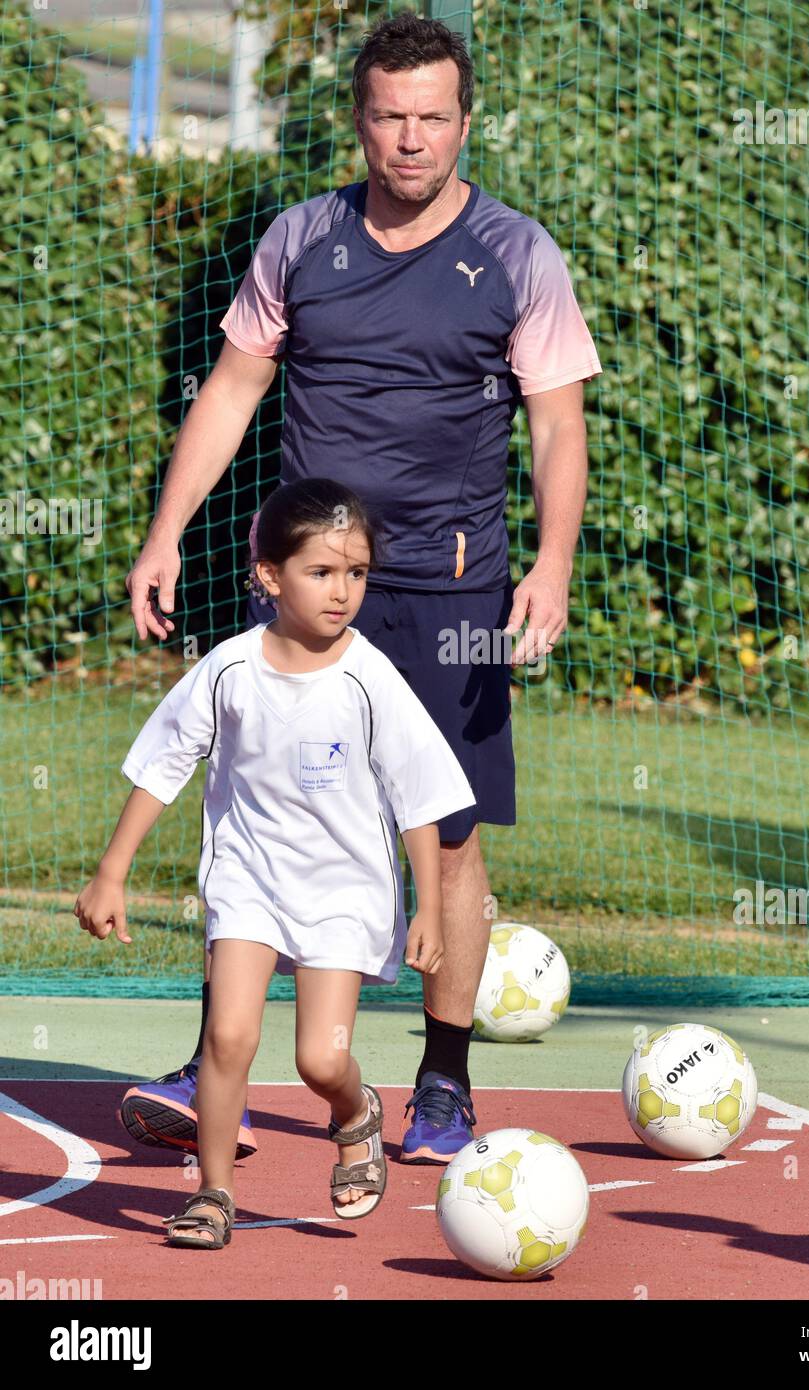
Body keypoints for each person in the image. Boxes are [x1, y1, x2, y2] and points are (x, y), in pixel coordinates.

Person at [121, 9, 602, 1165]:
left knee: (445, 833)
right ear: (360, 120)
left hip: (449, 592)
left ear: (465, 121)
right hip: (302, 587)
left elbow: (557, 427)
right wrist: (166, 532)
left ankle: (444, 1083)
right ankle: (213, 1063)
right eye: (389, 117)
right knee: (253, 816)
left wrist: (551, 561)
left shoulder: (519, 254)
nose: (411, 140)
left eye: (433, 118)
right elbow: (232, 391)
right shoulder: (300, 239)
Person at [75, 479, 477, 1245]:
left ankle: (354, 1112)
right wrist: (111, 871)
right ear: (269, 576)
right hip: (248, 882)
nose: (343, 592)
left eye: (356, 574)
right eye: (322, 573)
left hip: (343, 892)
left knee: (321, 1061)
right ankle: (213, 1194)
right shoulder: (228, 670)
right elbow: (164, 765)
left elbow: (419, 795)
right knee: (227, 1039)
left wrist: (428, 905)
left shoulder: (370, 677)